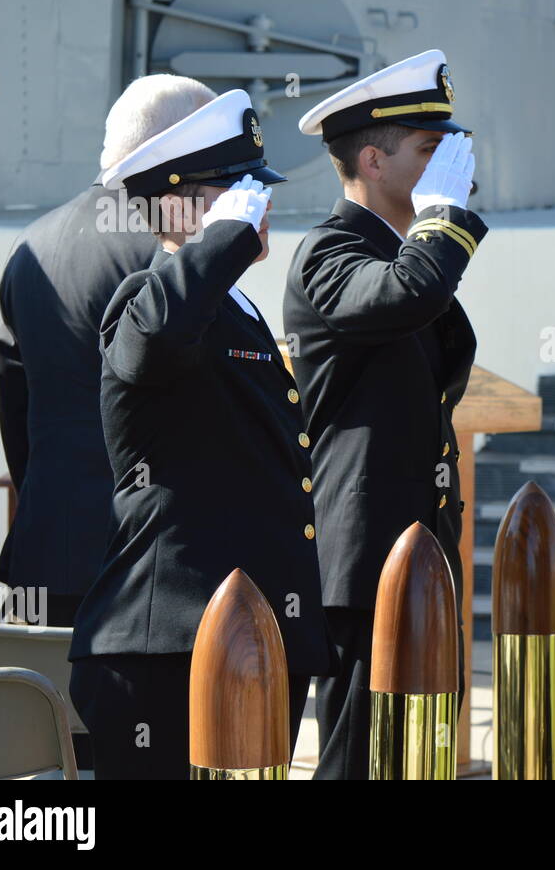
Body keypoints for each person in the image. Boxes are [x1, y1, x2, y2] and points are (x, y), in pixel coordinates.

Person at [68, 90, 332, 779]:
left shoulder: (233, 310)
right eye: (240, 193)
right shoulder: (148, 300)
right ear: (182, 202)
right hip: (167, 649)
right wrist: (222, 240)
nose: (260, 208)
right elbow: (157, 340)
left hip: (246, 640)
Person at [283, 49, 485, 779]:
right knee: (363, 762)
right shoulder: (329, 253)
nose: (451, 165)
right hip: (365, 560)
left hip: (422, 548)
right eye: (431, 150)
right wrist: (445, 222)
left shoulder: (403, 251)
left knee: (421, 757)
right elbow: (404, 296)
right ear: (373, 159)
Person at [0, 75, 215, 630]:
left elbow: (13, 398)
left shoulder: (30, 245)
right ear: (177, 147)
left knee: (46, 716)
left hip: (46, 540)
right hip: (147, 559)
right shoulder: (173, 249)